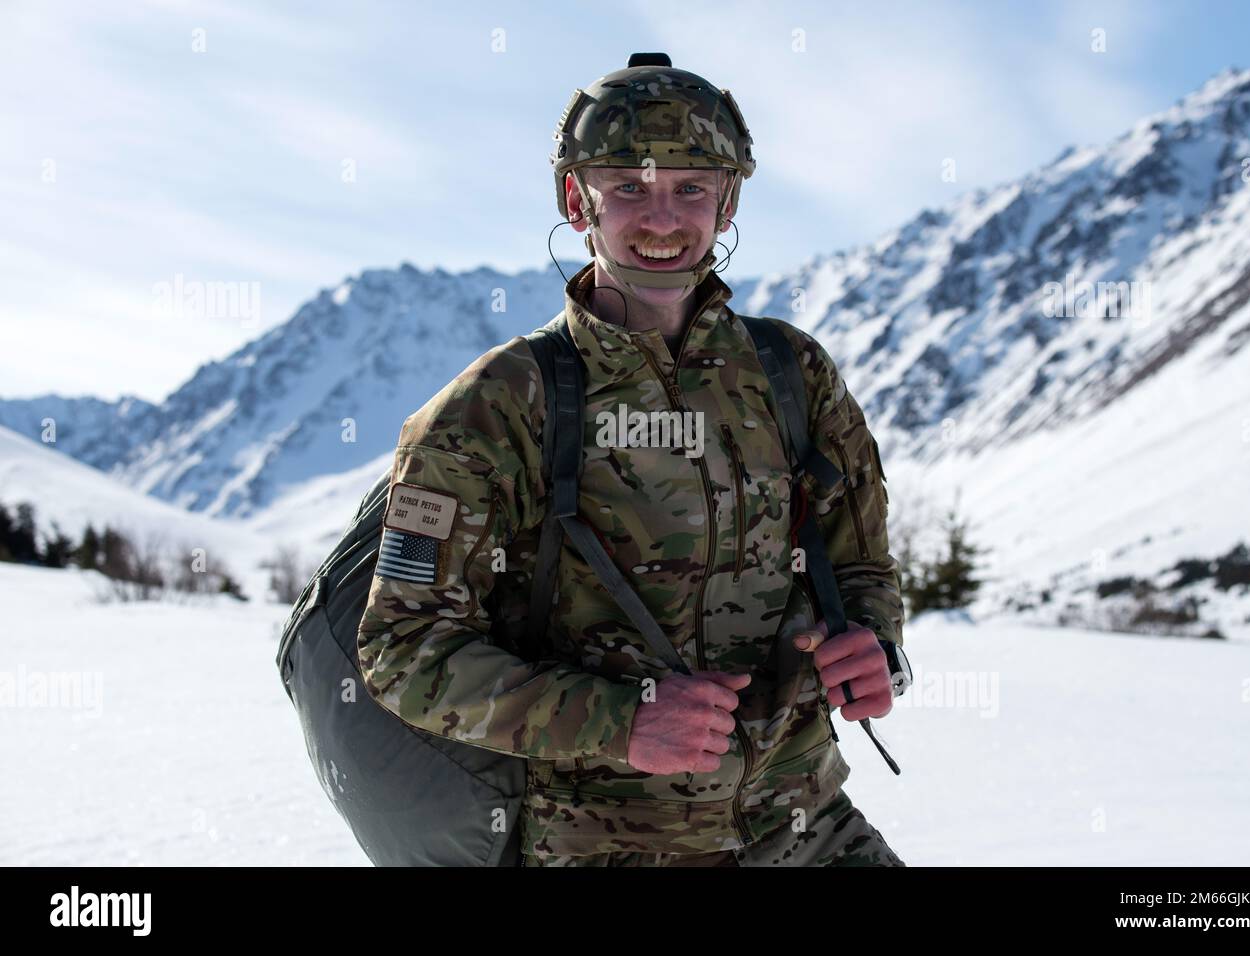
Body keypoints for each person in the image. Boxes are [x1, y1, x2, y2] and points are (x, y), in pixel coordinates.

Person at [356, 53, 906, 867]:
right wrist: (621, 720)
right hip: (609, 845)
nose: (662, 220)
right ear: (578, 201)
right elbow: (403, 651)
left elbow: (861, 565)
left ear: (727, 202)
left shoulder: (793, 372)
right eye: (629, 189)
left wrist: (874, 643)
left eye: (691, 189)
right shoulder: (502, 402)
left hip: (807, 820)